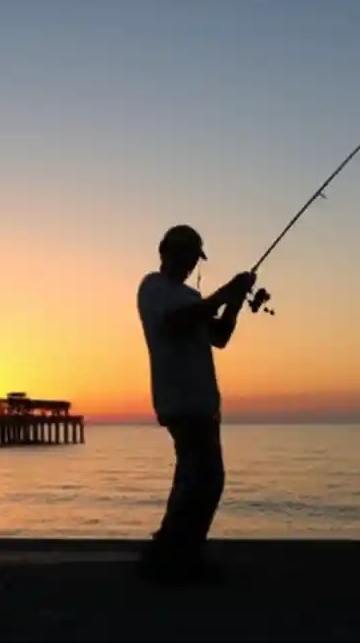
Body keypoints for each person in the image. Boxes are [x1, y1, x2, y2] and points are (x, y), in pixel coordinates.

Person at [136, 224, 256, 585]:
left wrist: (234, 300)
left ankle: (171, 551)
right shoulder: (153, 288)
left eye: (193, 257)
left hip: (203, 401)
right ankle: (179, 557)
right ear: (165, 251)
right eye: (184, 254)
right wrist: (223, 293)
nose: (188, 263)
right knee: (207, 479)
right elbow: (176, 324)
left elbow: (218, 337)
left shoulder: (191, 295)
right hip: (180, 400)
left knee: (194, 478)